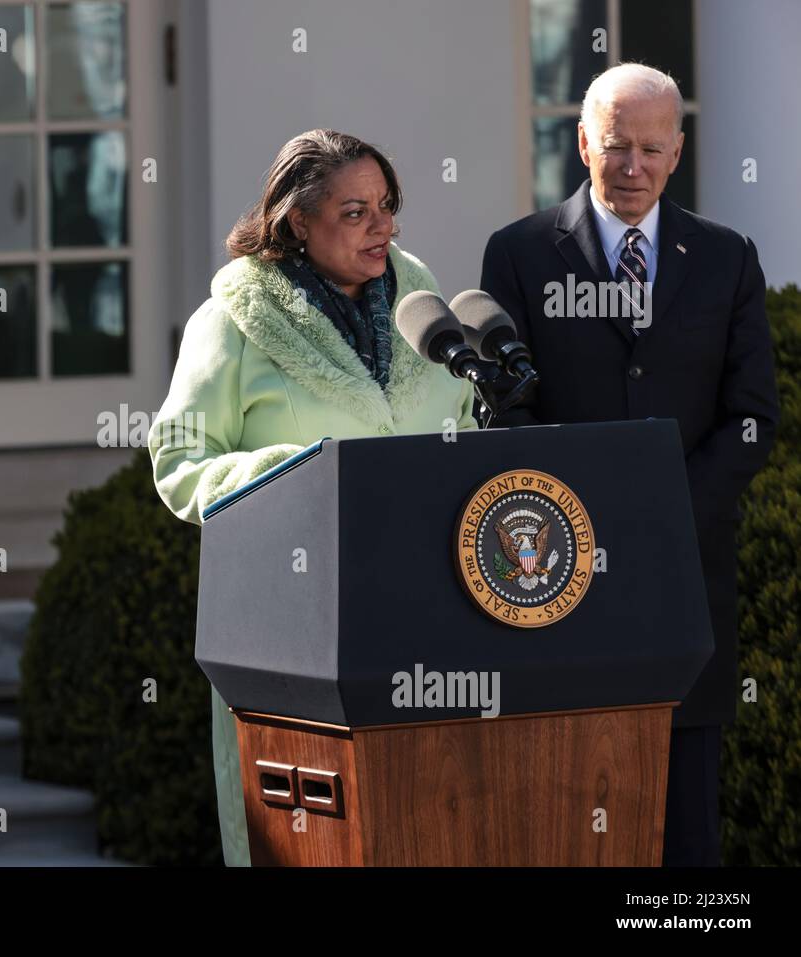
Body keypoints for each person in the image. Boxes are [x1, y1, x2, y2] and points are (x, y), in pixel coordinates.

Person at [478, 64, 779, 865]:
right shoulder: (517, 254)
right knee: (561, 816)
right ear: (583, 143)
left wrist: (666, 513)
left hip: (685, 584)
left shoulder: (726, 257)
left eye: (652, 148)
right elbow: (509, 412)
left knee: (684, 832)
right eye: (616, 147)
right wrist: (579, 520)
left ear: (678, 150)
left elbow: (754, 419)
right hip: (553, 583)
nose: (634, 167)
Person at [149, 129, 476, 866]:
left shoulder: (428, 320)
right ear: (300, 221)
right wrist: (298, 474)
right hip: (293, 626)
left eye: (387, 206)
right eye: (355, 211)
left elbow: (462, 434)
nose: (382, 226)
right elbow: (179, 461)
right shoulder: (231, 324)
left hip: (434, 618)